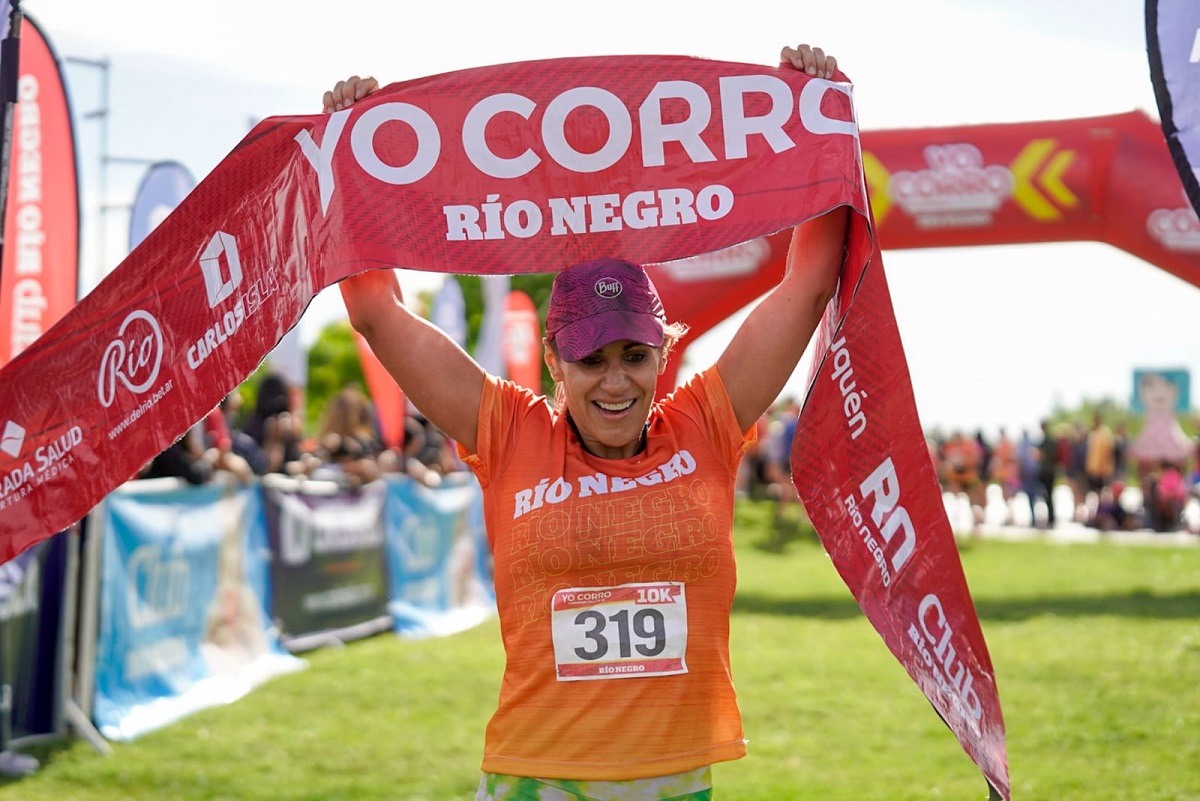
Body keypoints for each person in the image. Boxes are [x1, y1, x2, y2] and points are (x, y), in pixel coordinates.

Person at [327, 43, 844, 801]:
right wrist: (353, 158)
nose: (615, 380)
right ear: (553, 363)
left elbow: (808, 286)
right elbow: (376, 312)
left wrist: (815, 127)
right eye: (590, 359)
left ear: (662, 355)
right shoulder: (510, 431)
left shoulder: (704, 422)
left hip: (674, 779)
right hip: (537, 776)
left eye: (634, 355)